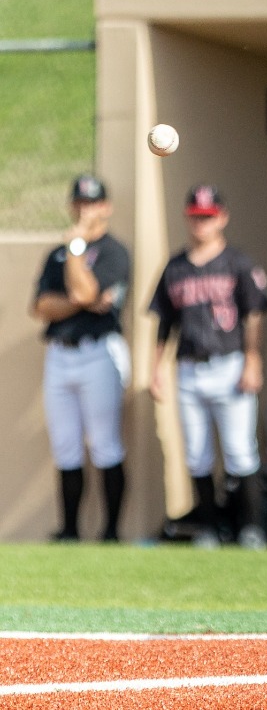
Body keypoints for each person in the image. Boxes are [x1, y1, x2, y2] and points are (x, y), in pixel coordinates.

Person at [149, 184, 267, 549]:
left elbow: (254, 314)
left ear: (222, 217)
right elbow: (164, 322)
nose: (201, 223)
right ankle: (210, 527)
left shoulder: (238, 262)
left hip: (229, 363)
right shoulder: (176, 266)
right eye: (196, 216)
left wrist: (253, 358)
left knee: (239, 450)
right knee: (197, 453)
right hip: (189, 366)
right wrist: (156, 368)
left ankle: (251, 527)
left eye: (208, 216)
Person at [31, 173, 130, 542]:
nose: (85, 209)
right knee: (66, 445)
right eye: (80, 202)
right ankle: (69, 530)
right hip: (60, 354)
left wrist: (75, 253)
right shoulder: (57, 254)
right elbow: (41, 306)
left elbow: (88, 291)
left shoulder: (113, 251)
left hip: (98, 352)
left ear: (106, 206)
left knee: (105, 443)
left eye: (93, 202)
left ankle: (111, 533)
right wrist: (78, 299)